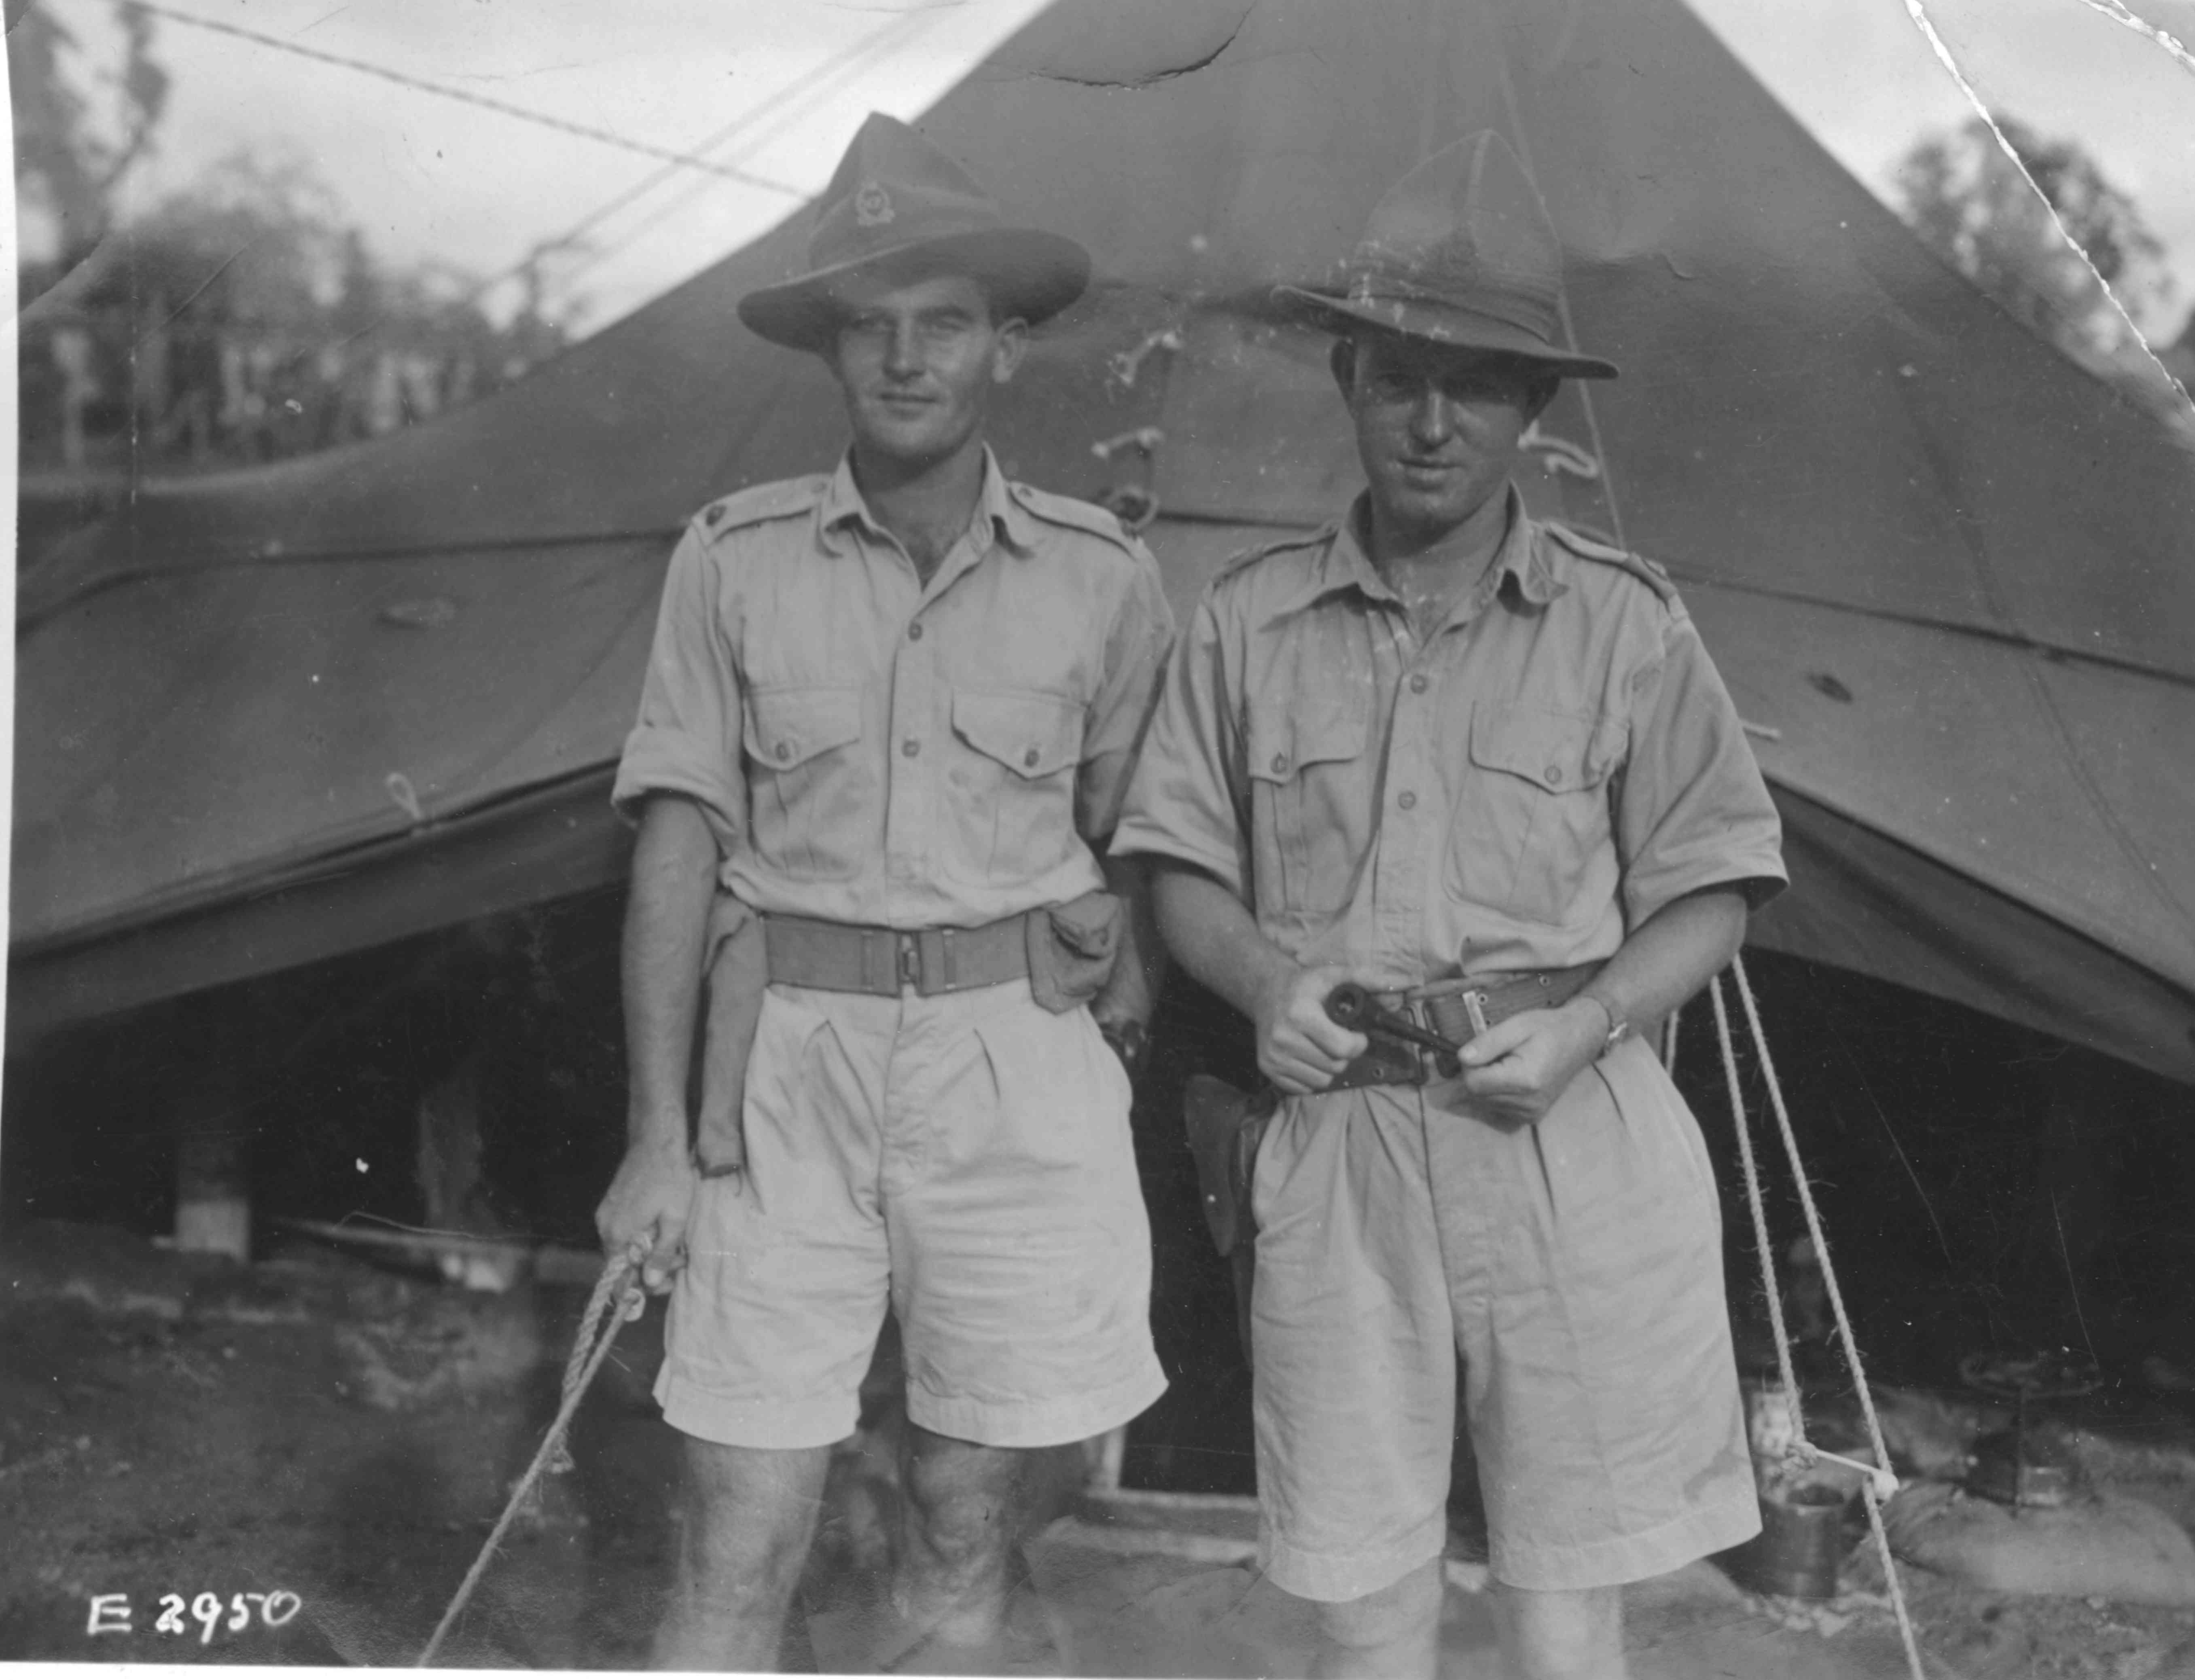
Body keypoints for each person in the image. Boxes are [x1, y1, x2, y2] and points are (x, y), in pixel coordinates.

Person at [1112, 131, 1788, 1680]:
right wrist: (1266, 979)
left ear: (1533, 412)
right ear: (1346, 377)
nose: (1430, 423)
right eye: (1398, 377)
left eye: (1475, 384)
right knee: (1363, 1608)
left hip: (1567, 1132)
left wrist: (1590, 1021)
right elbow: (1175, 859)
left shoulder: (1624, 627)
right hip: (1342, 1134)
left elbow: (1715, 892)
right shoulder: (1248, 621)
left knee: (1563, 1605)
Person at [595, 112, 1173, 1672]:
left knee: (966, 1511)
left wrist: (1104, 1022)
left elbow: (1140, 845)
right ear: (830, 352)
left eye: (945, 325)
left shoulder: (1102, 578)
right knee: (739, 1520)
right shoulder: (732, 560)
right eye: (870, 327)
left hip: (1015, 1067)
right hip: (780, 1067)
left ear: (1008, 347)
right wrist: (658, 1137)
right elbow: (676, 845)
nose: (906, 361)